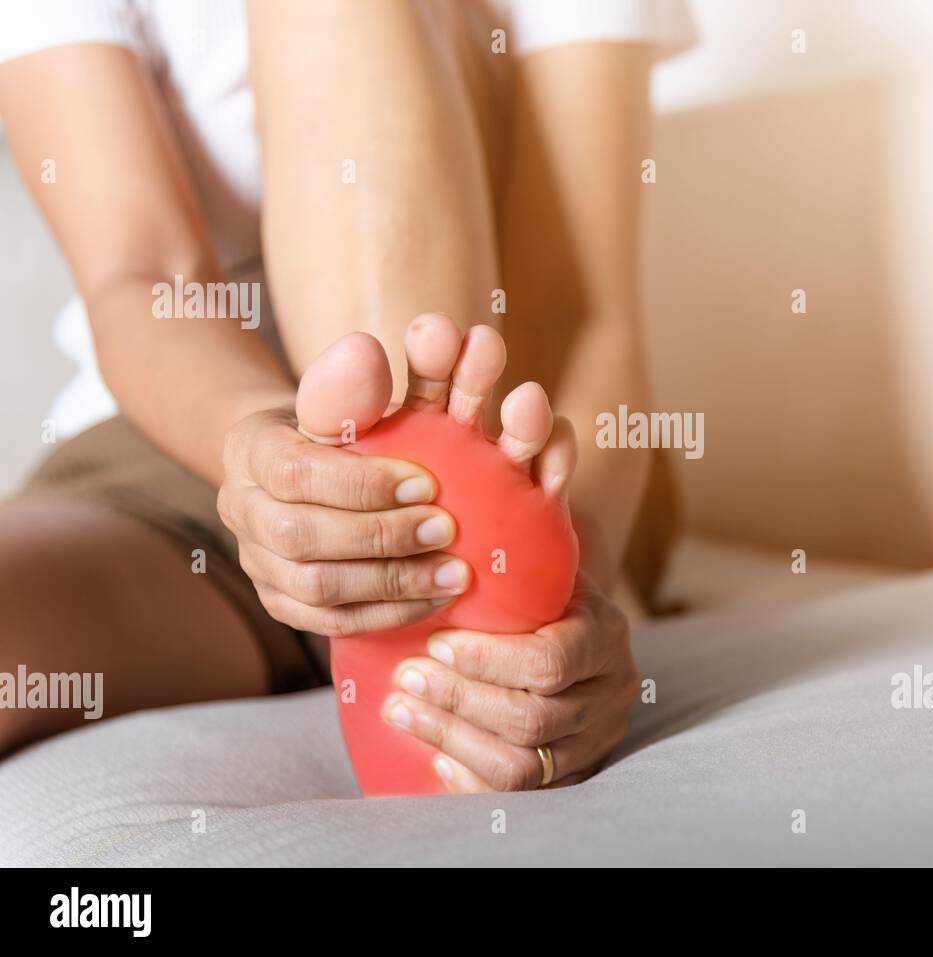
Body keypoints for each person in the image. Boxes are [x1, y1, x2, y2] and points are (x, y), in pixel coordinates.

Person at [0, 0, 693, 793]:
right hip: (183, 437)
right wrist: (266, 461)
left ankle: (442, 539)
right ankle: (406, 548)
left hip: (515, 443)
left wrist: (579, 577)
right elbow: (147, 277)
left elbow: (579, 313)